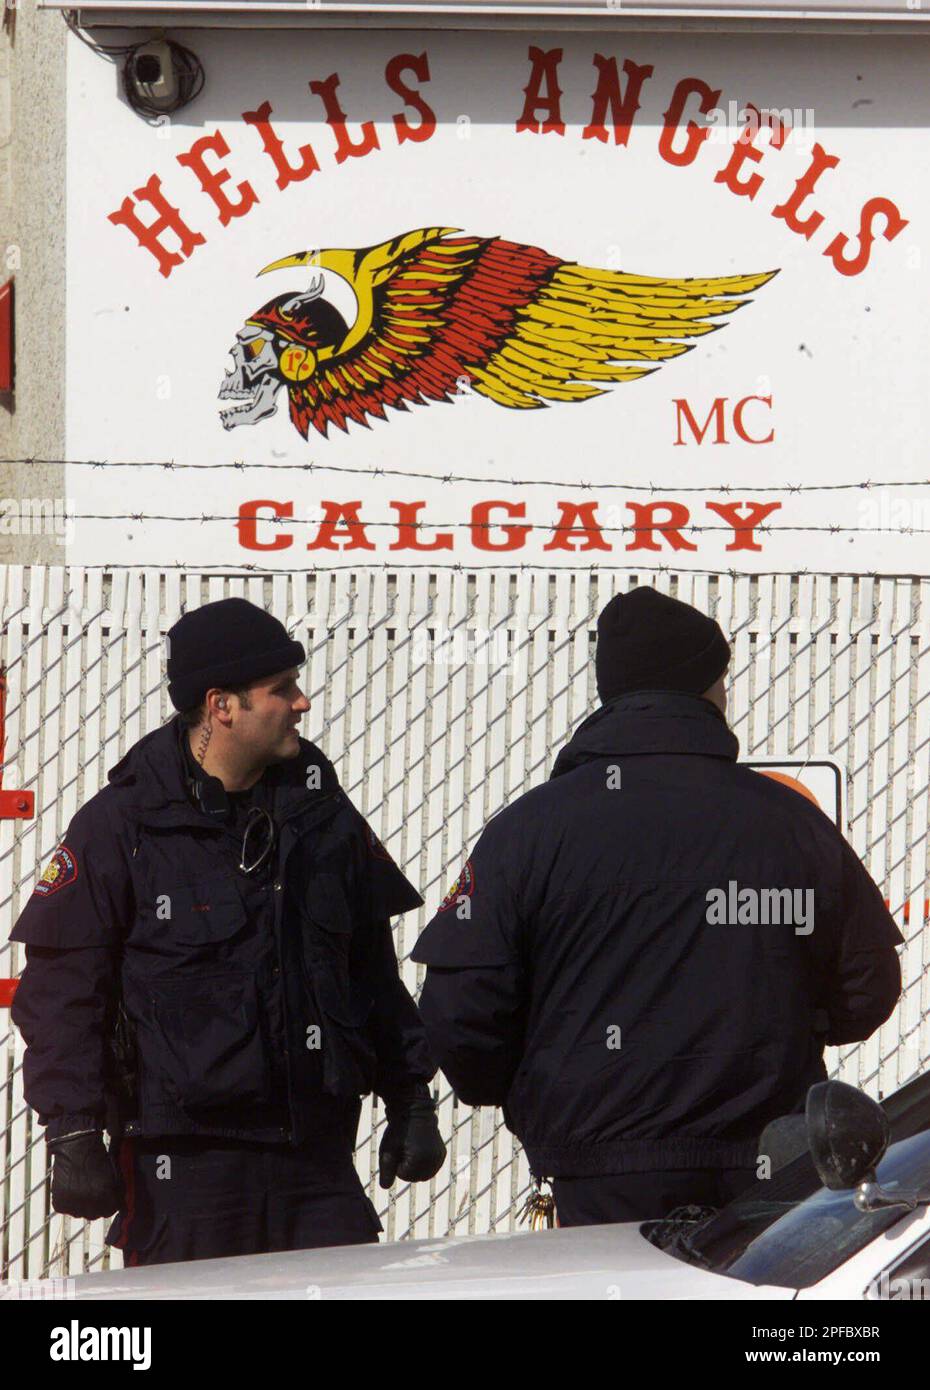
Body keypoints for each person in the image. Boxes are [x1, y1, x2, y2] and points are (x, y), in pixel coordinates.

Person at [411, 586, 903, 1226]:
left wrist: (538, 1086)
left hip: (599, 1168)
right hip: (765, 1164)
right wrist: (780, 1035)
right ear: (708, 689)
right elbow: (866, 988)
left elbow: (461, 1011)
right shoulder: (788, 822)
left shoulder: (530, 831)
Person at [10, 597, 445, 1264]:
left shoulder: (323, 818)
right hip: (186, 1176)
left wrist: (410, 1097)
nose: (301, 703)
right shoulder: (122, 827)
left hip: (316, 1166)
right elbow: (63, 993)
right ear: (222, 706)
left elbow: (372, 976)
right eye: (281, 689)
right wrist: (71, 1131)